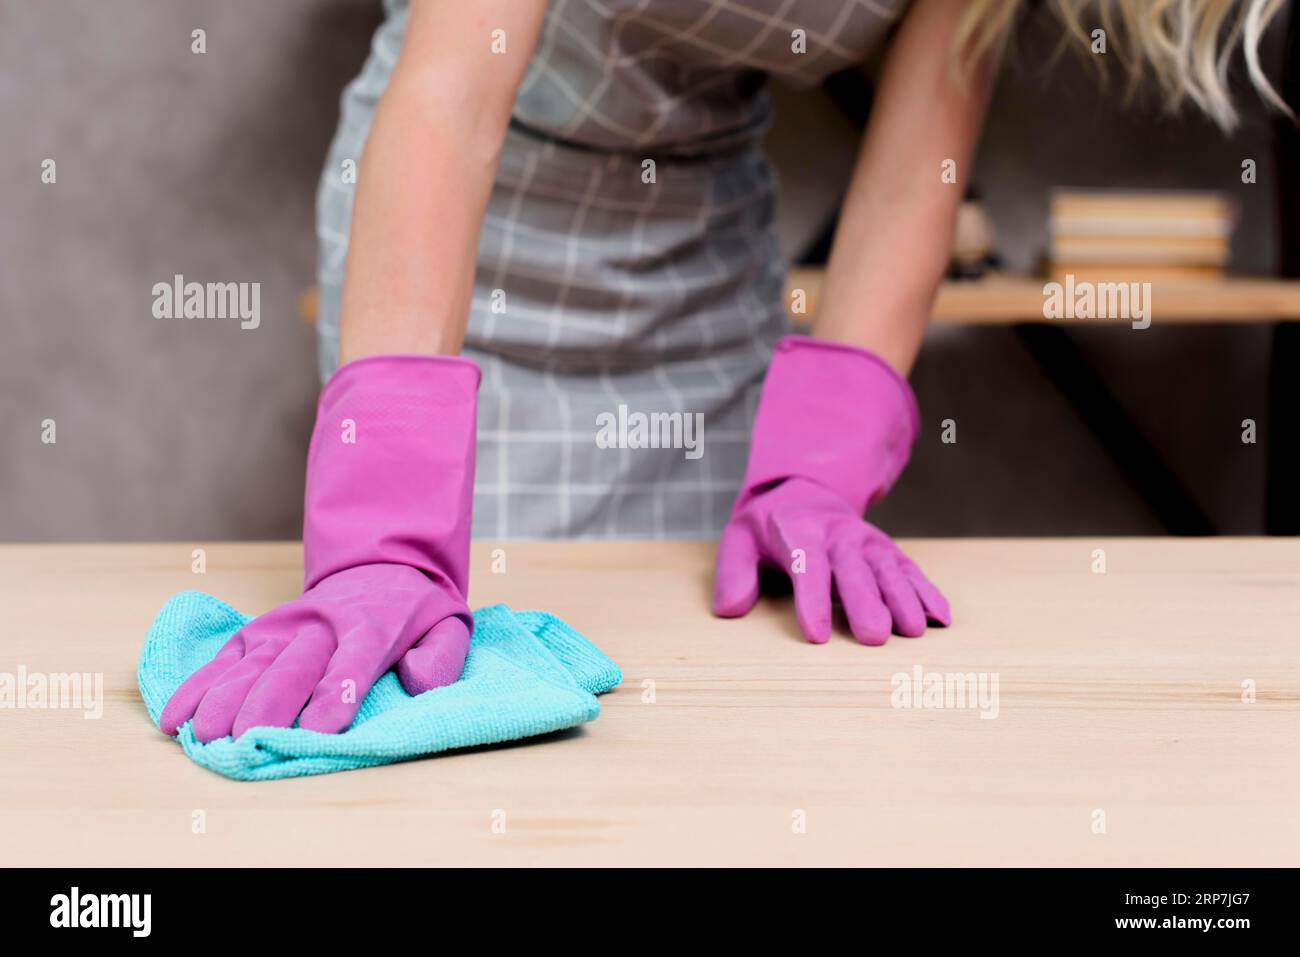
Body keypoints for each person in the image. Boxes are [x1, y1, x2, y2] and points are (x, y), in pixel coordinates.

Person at [162, 0, 1288, 742]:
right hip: (459, 240)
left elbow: (918, 157)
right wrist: (384, 530)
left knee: (679, 709)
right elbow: (451, 103)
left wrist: (822, 463)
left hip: (700, 256)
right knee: (437, 707)